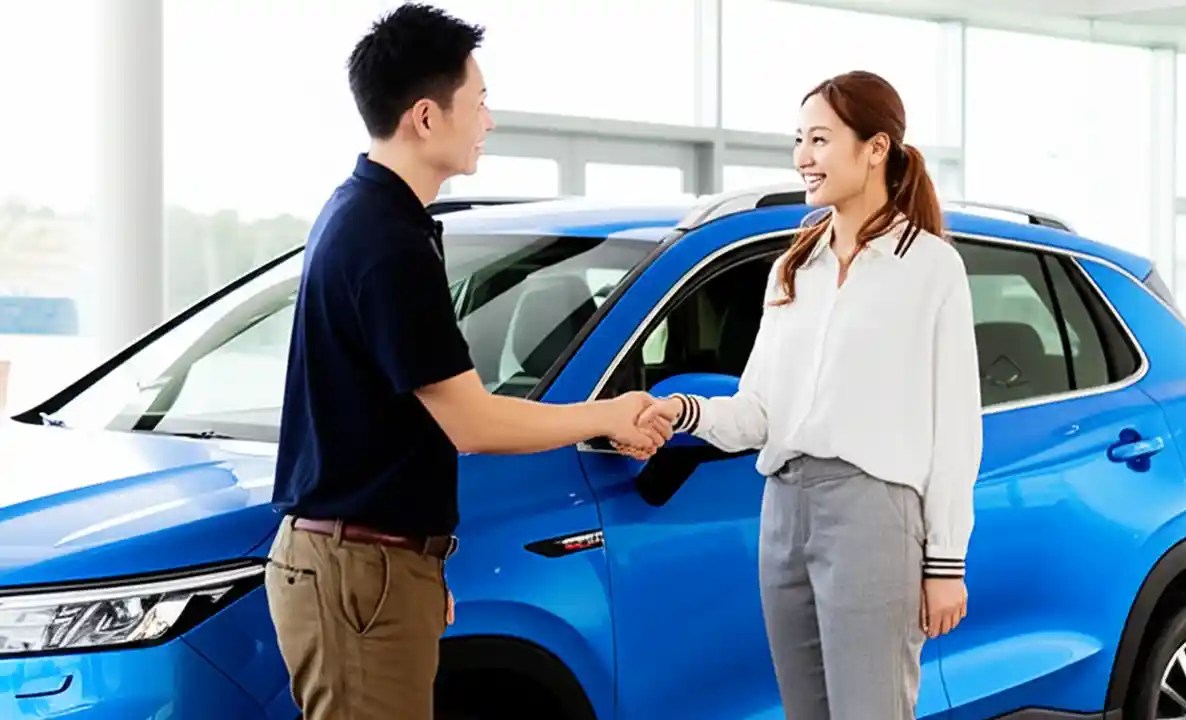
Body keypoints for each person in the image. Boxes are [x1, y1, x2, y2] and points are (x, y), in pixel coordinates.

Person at [264, 5, 668, 719]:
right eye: (478, 102)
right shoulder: (386, 241)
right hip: (363, 568)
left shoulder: (370, 214)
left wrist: (416, 571)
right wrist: (607, 413)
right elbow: (472, 422)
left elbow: (390, 419)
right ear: (426, 116)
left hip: (375, 565)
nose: (489, 120)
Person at [629, 71, 982, 719]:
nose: (802, 157)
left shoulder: (930, 267)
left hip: (874, 513)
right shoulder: (793, 266)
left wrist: (946, 562)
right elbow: (760, 411)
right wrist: (681, 411)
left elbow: (956, 427)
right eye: (798, 140)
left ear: (875, 148)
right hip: (784, 509)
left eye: (819, 139)